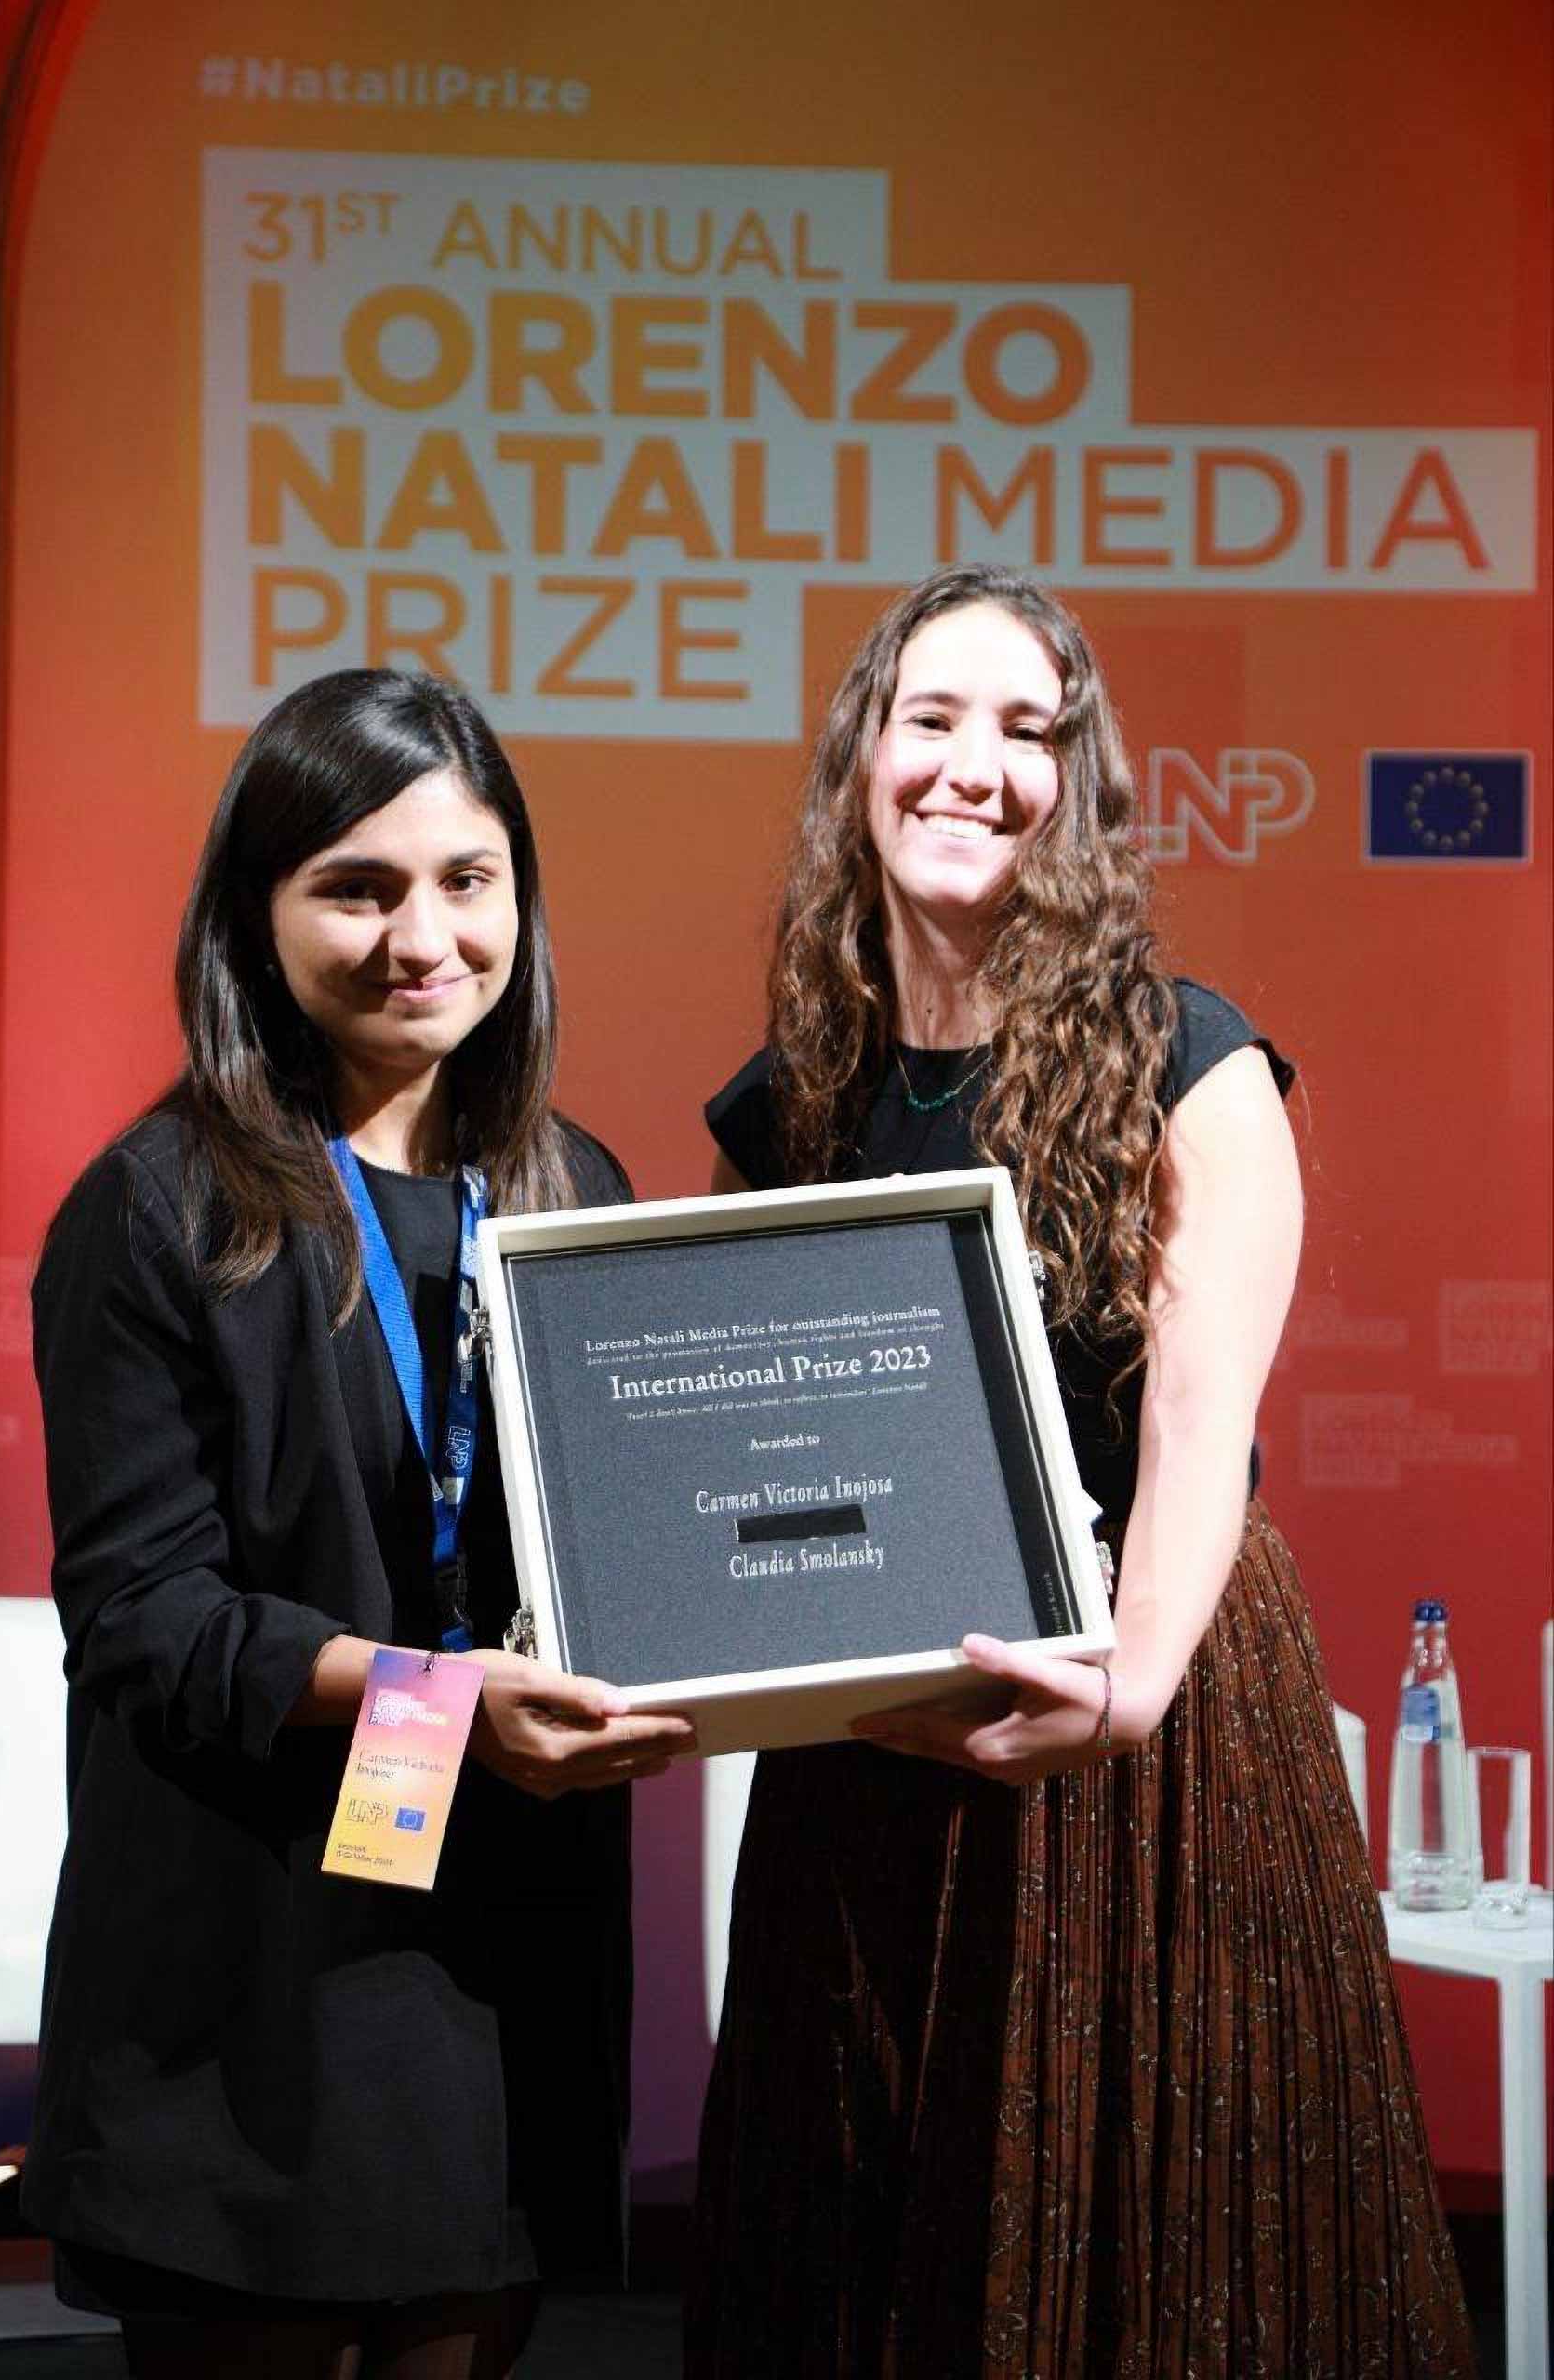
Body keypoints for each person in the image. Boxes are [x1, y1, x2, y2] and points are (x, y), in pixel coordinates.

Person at [685, 567, 1476, 2377]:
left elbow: (1202, 1415)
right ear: (860, 759)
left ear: (1079, 784)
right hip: (866, 1747)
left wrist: (1121, 1694)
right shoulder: (784, 1101)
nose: (973, 765)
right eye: (931, 718)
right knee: (864, 2219)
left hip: (1141, 1730)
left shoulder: (1186, 1057)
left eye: (1025, 729)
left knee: (1148, 2250)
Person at [23, 669, 694, 2380]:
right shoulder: (160, 1209)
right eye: (357, 886)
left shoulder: (572, 1192)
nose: (425, 935)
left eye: (469, 881)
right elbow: (142, 1622)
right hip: (256, 1978)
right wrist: (439, 1702)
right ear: (259, 916)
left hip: (492, 1963)